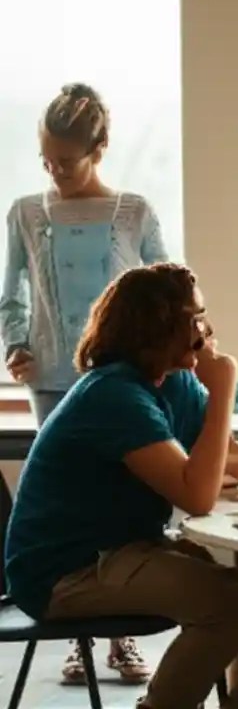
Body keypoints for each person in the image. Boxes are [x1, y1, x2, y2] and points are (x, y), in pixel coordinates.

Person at [2, 263, 238, 708]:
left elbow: (235, 462)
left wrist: (196, 464)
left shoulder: (174, 382)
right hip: (66, 570)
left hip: (129, 548)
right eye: (196, 317)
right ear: (160, 324)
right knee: (234, 604)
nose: (207, 330)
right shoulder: (114, 394)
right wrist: (223, 392)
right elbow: (198, 496)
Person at [0, 82, 168, 684]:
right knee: (72, 506)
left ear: (98, 151)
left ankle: (121, 634)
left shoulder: (134, 211)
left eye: (66, 161)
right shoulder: (25, 211)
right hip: (51, 378)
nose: (54, 170)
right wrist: (17, 344)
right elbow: (11, 293)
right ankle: (80, 640)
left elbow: (167, 292)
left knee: (124, 502)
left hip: (123, 380)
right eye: (46, 159)